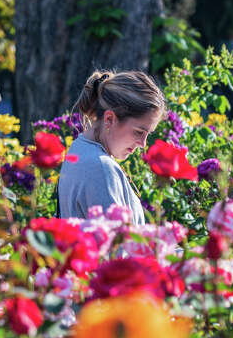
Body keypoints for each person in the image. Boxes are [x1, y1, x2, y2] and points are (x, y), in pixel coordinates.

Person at [57, 69, 165, 223]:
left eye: (148, 134)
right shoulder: (100, 167)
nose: (143, 144)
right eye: (139, 132)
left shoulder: (80, 147)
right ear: (109, 119)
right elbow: (117, 245)